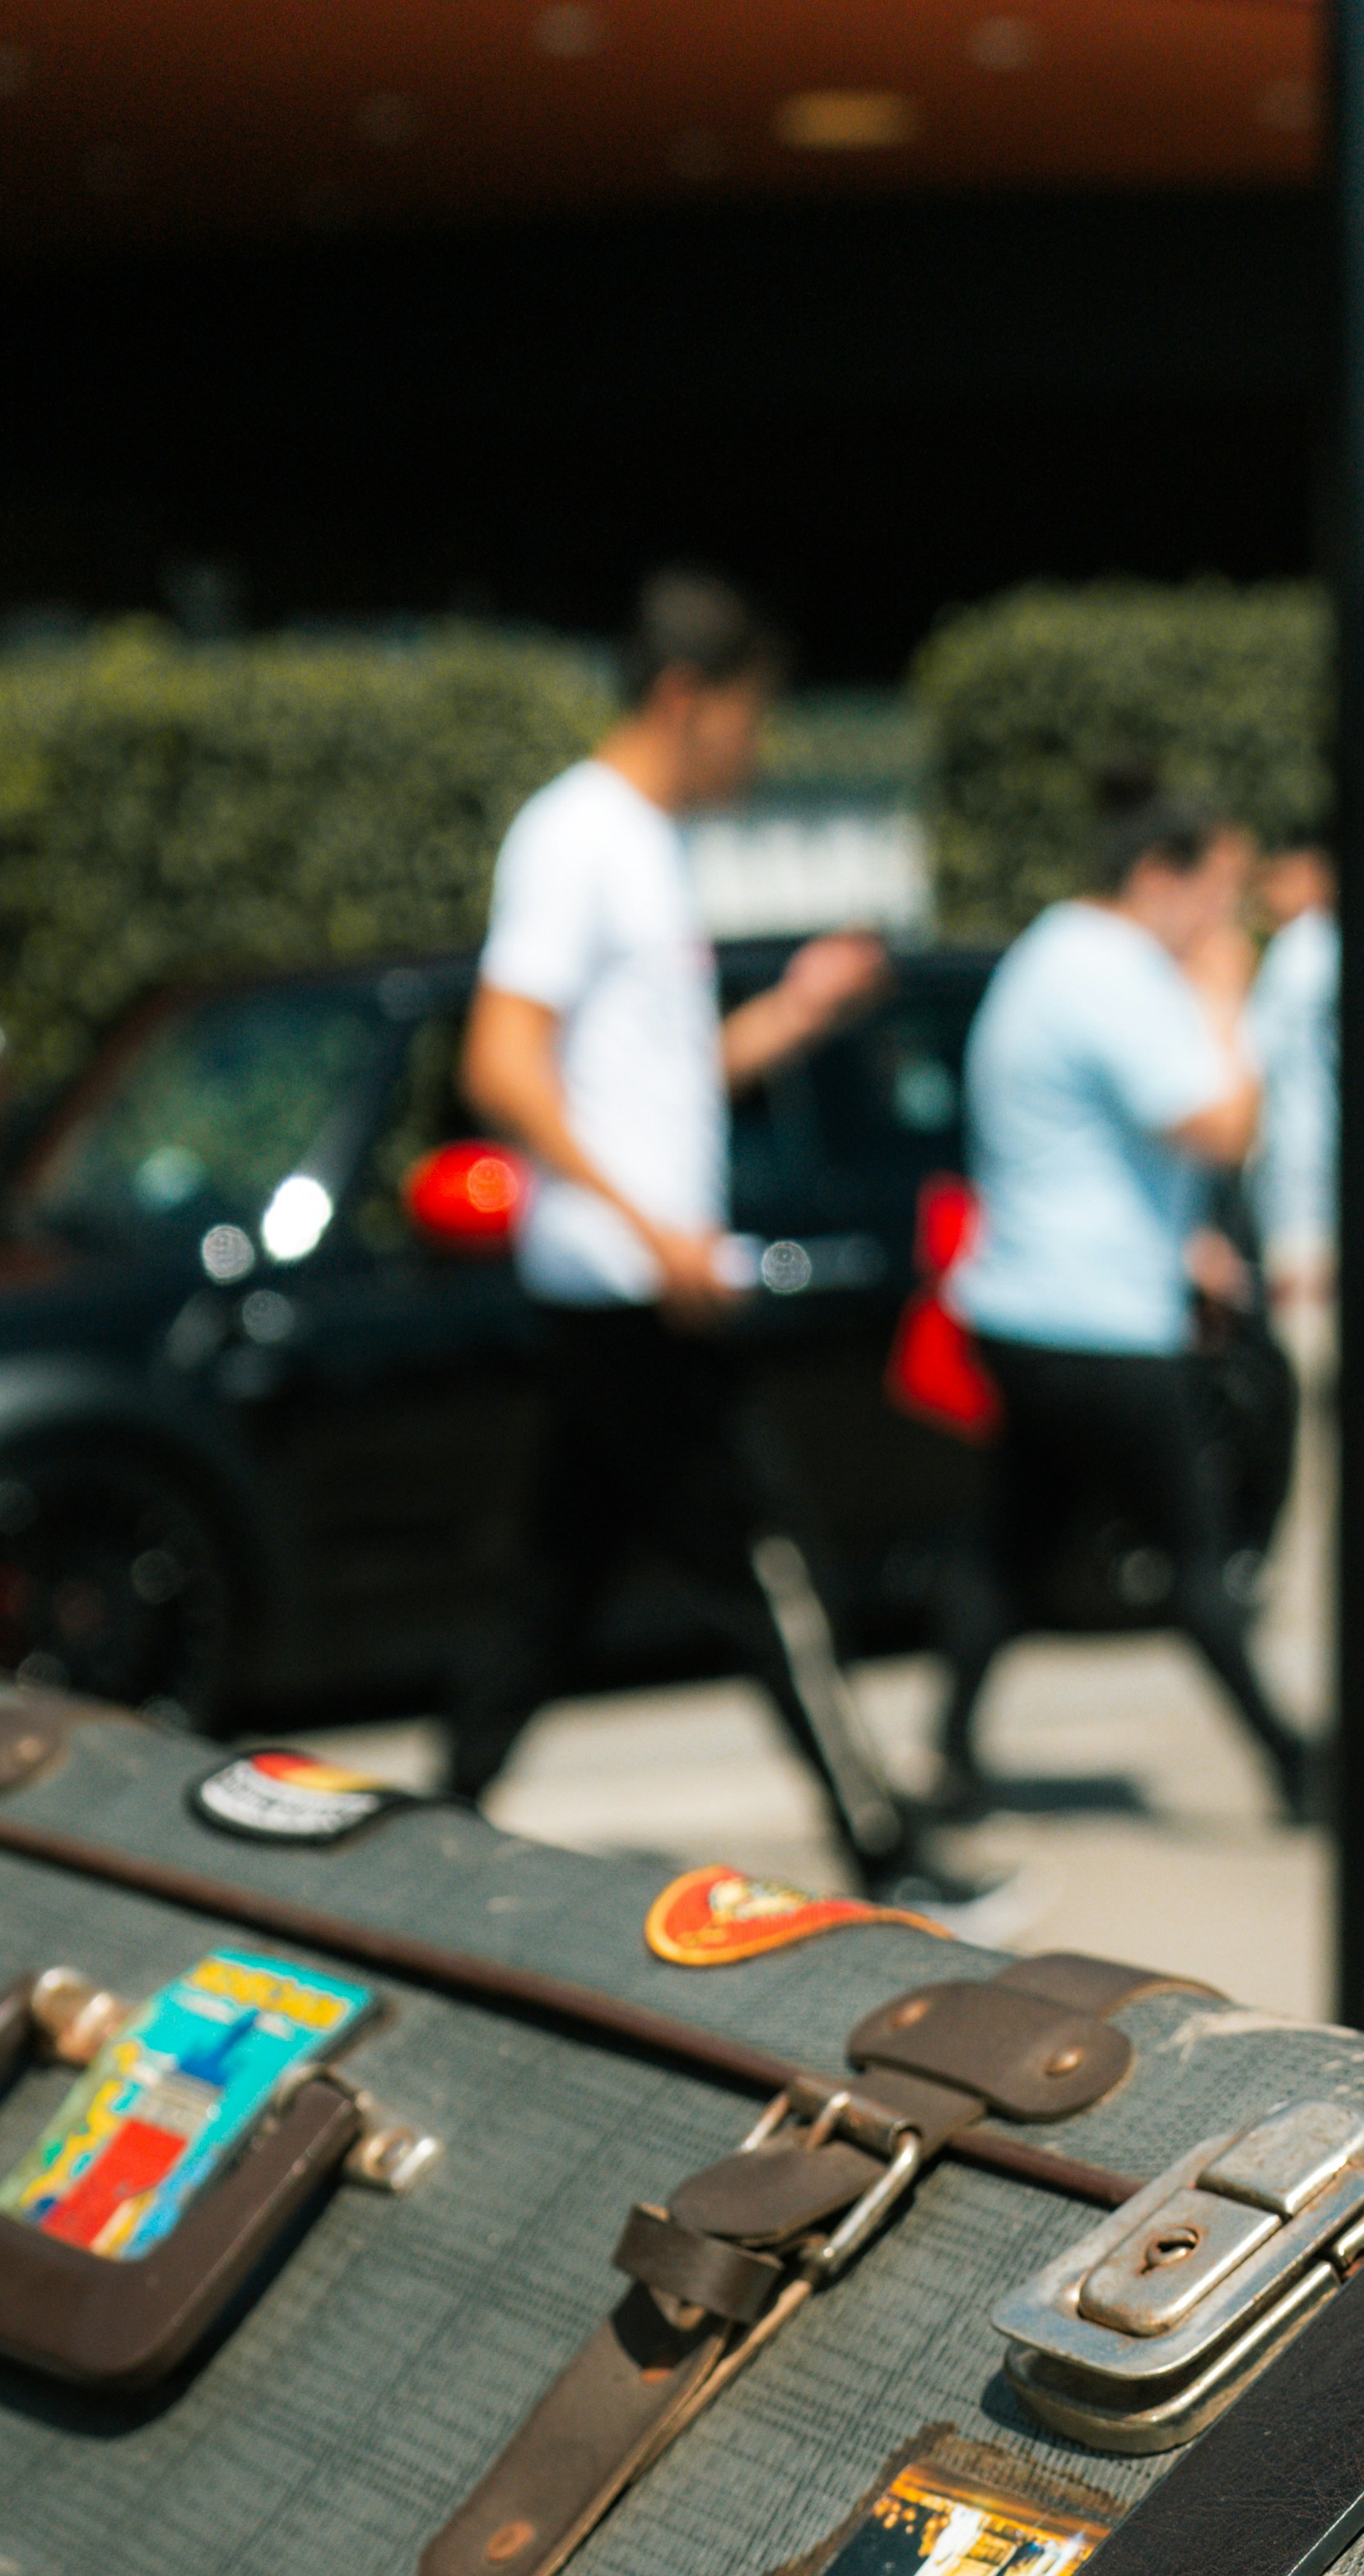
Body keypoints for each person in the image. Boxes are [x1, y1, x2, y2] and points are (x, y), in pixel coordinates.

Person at [448, 568, 932, 1883]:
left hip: (624, 1279)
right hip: (630, 1284)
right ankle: (884, 1844)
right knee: (770, 1559)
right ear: (683, 697)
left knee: (552, 1580)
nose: (758, 745)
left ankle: (442, 1819)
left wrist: (797, 1012)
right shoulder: (579, 836)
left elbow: (654, 1081)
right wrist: (651, 1230)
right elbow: (502, 1064)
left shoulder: (643, 846)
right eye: (749, 714)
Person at [926, 770, 1310, 1829]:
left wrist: (1180, 1247)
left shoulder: (1054, 954)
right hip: (1095, 1322)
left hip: (1031, 1305)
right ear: (1158, 876)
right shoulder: (1111, 971)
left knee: (1011, 1544)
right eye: (1220, 893)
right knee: (1194, 1556)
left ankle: (951, 1754)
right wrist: (1229, 994)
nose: (1226, 920)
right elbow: (1223, 1122)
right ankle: (1295, 1765)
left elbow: (1093, 1146)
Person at [1244, 838, 1338, 1364]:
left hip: (1299, 1169)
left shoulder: (1300, 954)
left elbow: (1252, 1053)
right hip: (1319, 1161)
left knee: (1300, 1335)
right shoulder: (1331, 950)